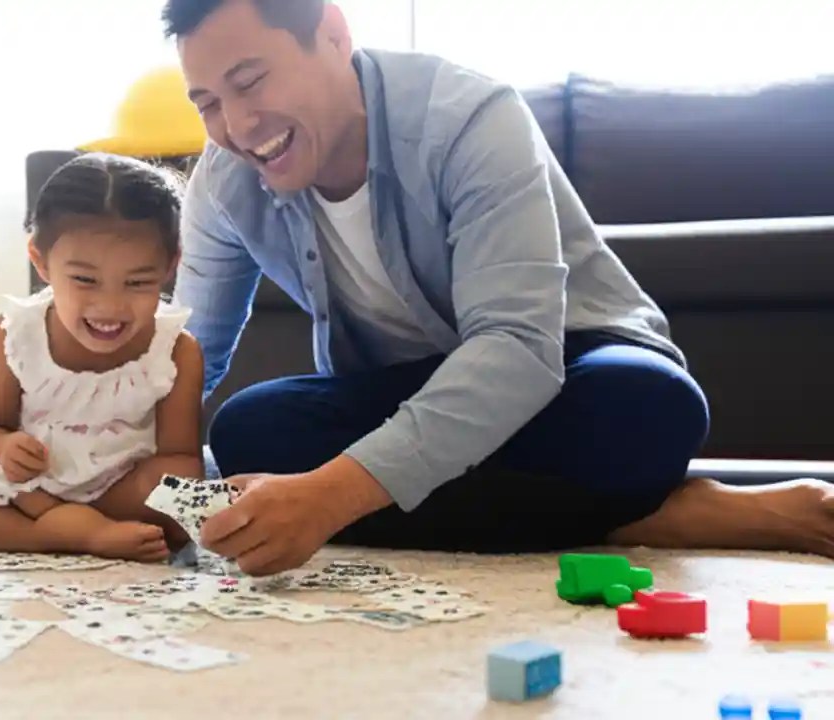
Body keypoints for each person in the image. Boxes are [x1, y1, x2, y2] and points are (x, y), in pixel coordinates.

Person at [164, 0, 834, 576]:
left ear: (334, 35)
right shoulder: (225, 182)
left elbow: (517, 346)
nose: (237, 124)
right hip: (408, 390)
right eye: (209, 104)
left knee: (651, 409)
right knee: (251, 432)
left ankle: (614, 512)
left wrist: (330, 497)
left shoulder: (466, 115)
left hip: (567, 359)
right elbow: (187, 355)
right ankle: (646, 515)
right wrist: (95, 461)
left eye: (250, 81)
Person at [0, 153, 205, 562]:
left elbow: (180, 458)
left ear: (171, 266)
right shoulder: (13, 334)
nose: (109, 307)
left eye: (137, 282)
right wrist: (8, 447)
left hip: (118, 490)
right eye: (85, 280)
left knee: (185, 493)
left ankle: (83, 523)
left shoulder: (176, 350)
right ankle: (60, 536)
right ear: (41, 262)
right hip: (28, 490)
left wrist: (162, 495)